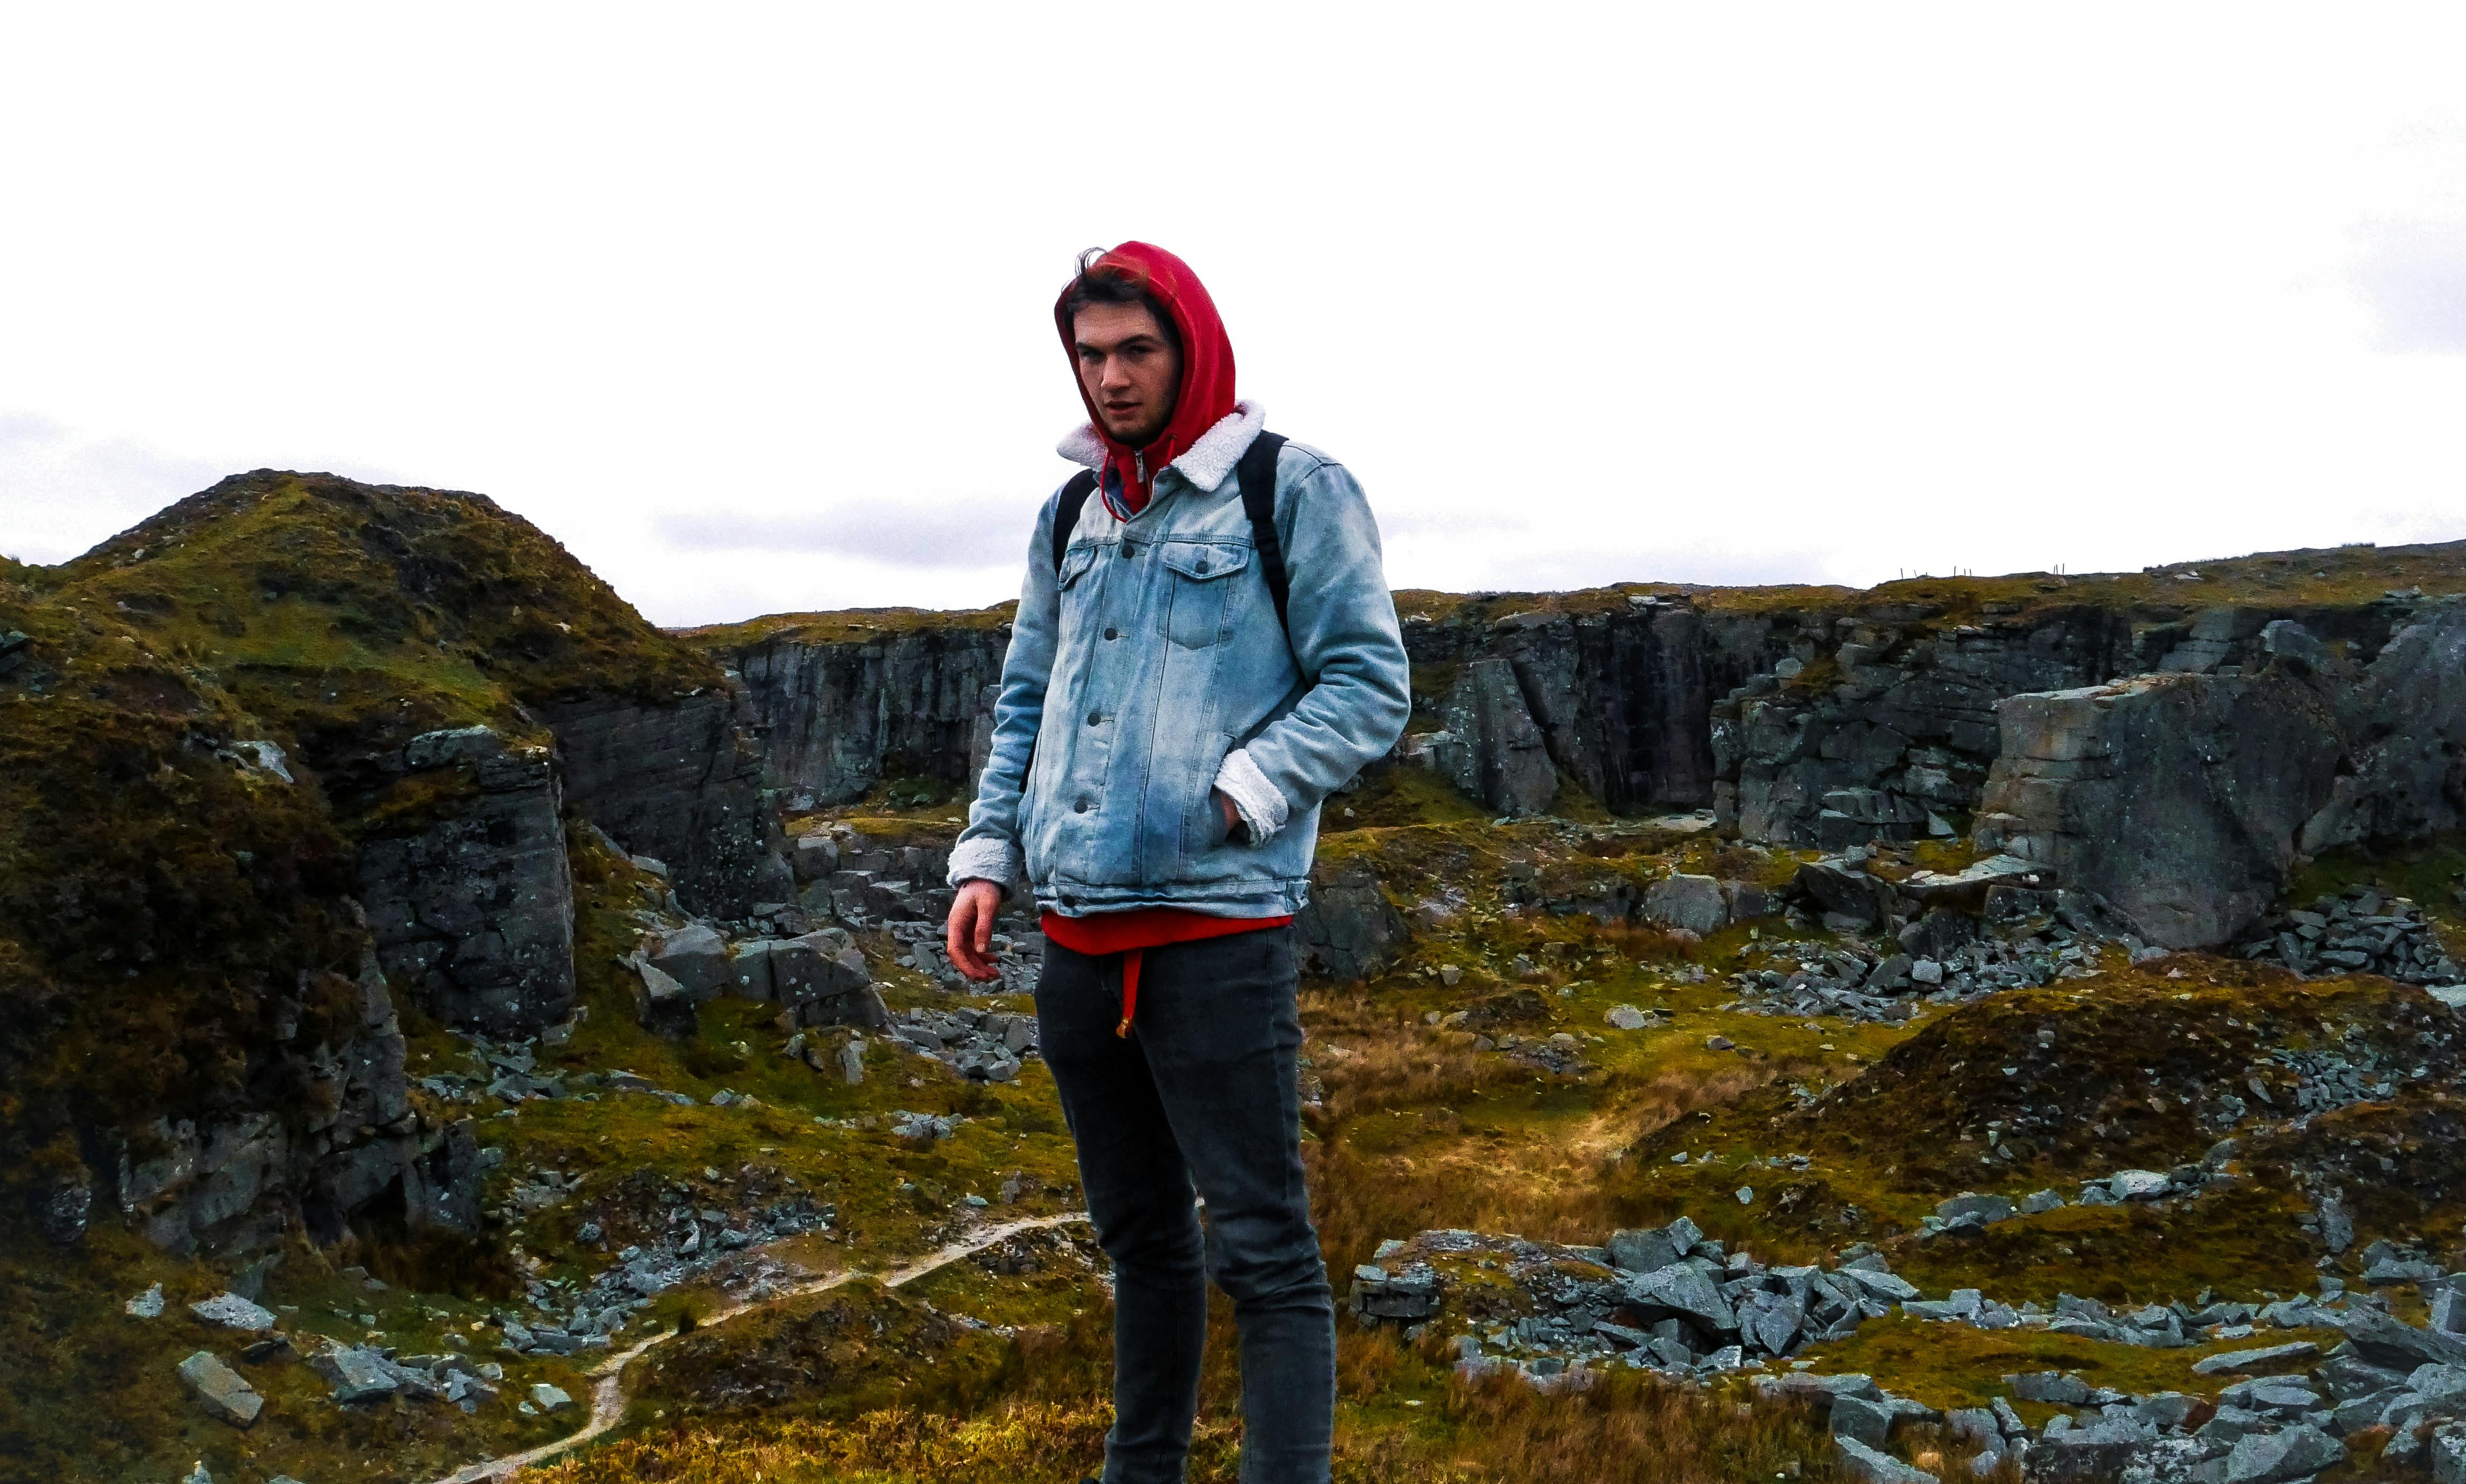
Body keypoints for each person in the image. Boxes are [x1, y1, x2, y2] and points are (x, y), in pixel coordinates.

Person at [943, 242, 1410, 1484]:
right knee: (1141, 1242)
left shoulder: (1291, 490)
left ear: (1188, 345)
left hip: (1214, 935)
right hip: (1079, 946)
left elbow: (1370, 684)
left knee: (1264, 1252)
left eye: (1135, 349)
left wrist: (1238, 788)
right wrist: (988, 856)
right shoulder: (1070, 513)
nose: (1110, 376)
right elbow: (1027, 697)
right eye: (1090, 354)